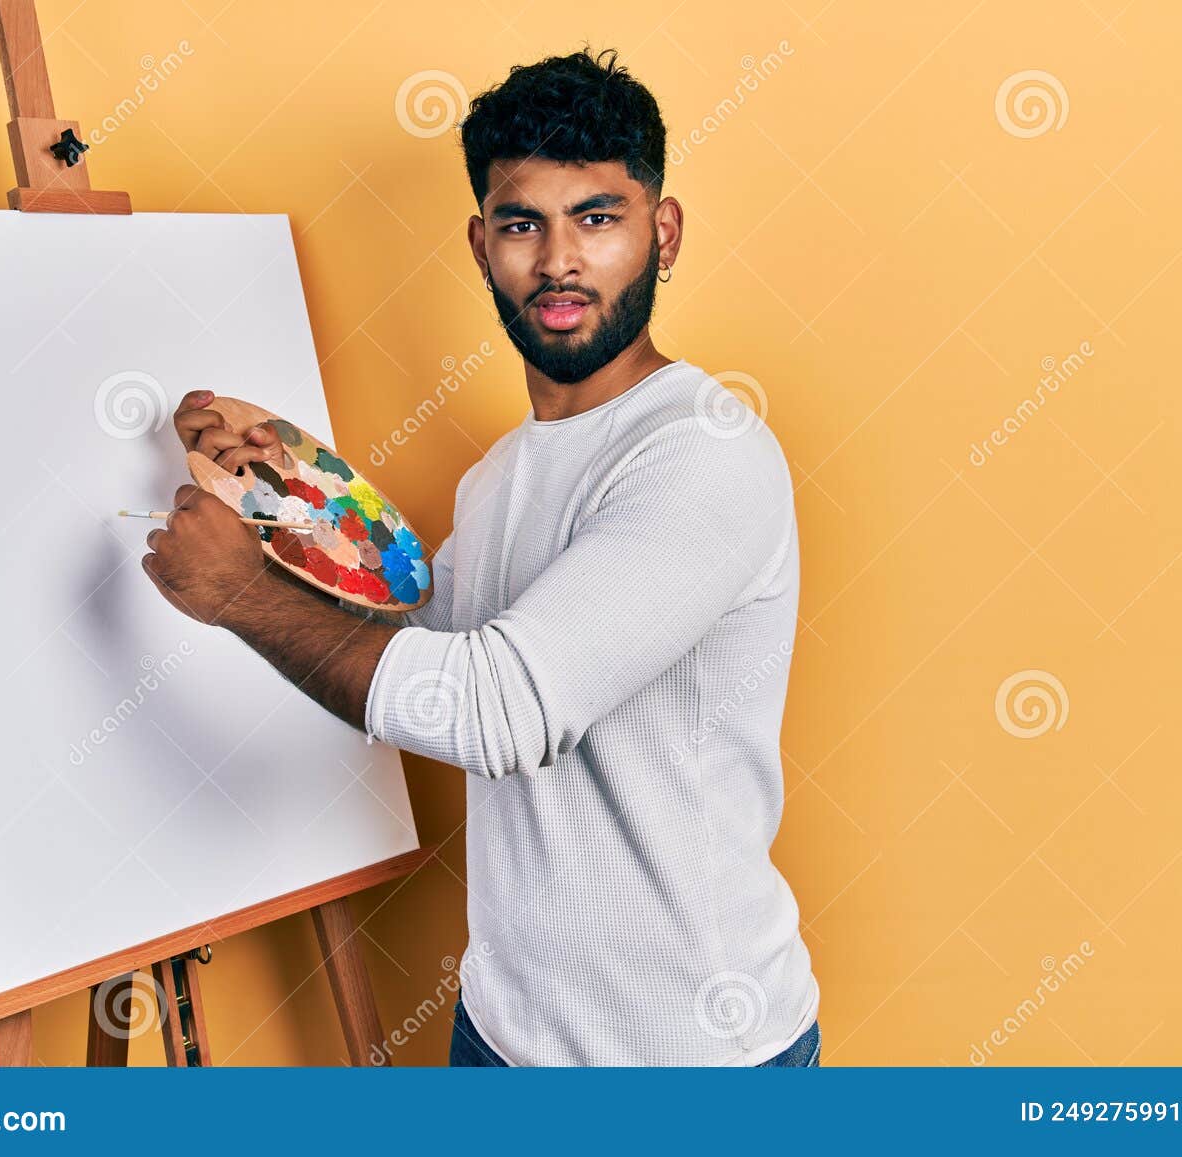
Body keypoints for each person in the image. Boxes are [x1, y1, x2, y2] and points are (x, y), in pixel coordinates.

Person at [142, 47, 818, 1067]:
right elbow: (426, 650)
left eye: (597, 217)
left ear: (662, 231)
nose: (557, 261)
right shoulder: (502, 473)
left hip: (689, 1060)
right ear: (480, 245)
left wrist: (238, 593)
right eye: (520, 223)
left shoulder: (701, 455)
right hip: (501, 1033)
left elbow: (496, 707)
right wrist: (284, 503)